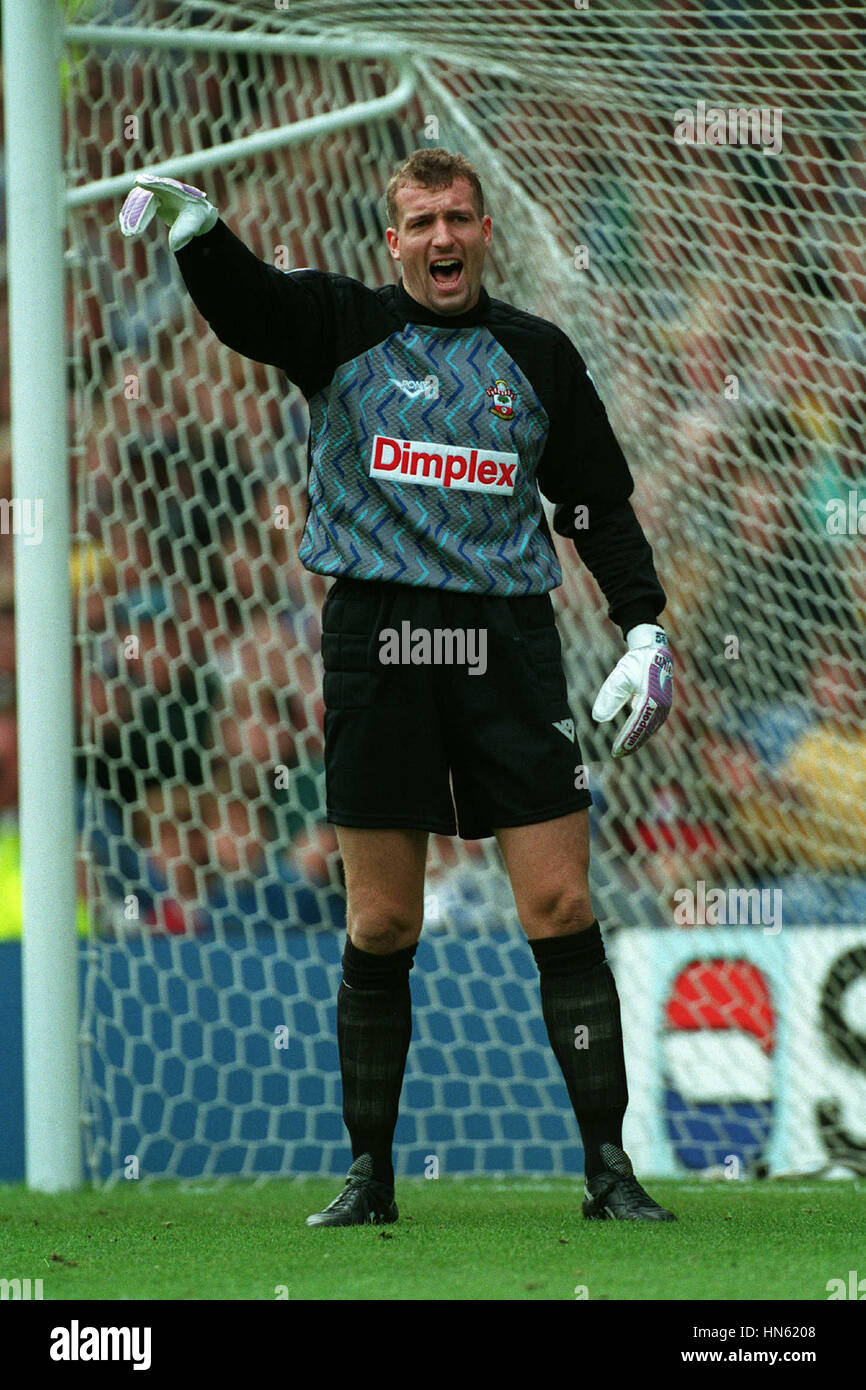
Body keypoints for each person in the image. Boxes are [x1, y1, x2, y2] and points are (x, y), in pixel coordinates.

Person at [120, 147, 675, 1223]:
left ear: (482, 231)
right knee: (379, 923)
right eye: (419, 222)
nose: (440, 239)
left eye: (456, 218)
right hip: (377, 639)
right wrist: (202, 239)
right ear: (392, 240)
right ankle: (369, 1177)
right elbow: (253, 310)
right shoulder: (342, 325)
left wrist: (642, 626)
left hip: (506, 643)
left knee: (558, 902)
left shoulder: (536, 355)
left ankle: (607, 1172)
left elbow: (594, 504)